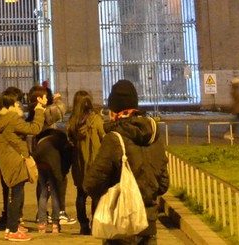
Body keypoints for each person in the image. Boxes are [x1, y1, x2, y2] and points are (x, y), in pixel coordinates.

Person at [81, 80, 167, 245]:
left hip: (121, 224)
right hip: (148, 225)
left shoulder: (114, 139)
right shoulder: (154, 137)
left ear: (114, 111)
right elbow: (163, 184)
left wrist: (109, 193)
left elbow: (91, 183)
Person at [0, 86, 40, 241]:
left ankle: (11, 226)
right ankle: (12, 230)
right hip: (15, 160)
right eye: (18, 101)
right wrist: (39, 111)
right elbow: (34, 129)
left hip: (7, 159)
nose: (20, 104)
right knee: (16, 196)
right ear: (12, 103)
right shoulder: (12, 118)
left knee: (14, 194)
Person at [65, 91, 104, 235]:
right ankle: (95, 223)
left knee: (81, 195)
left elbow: (69, 140)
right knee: (96, 196)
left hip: (79, 164)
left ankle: (83, 224)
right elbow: (104, 137)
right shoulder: (96, 120)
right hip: (95, 163)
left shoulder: (72, 122)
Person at [30, 95, 70, 233]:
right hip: (51, 162)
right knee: (54, 192)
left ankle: (42, 222)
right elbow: (59, 110)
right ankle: (55, 223)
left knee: (43, 191)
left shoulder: (38, 125)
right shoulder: (58, 135)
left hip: (40, 160)